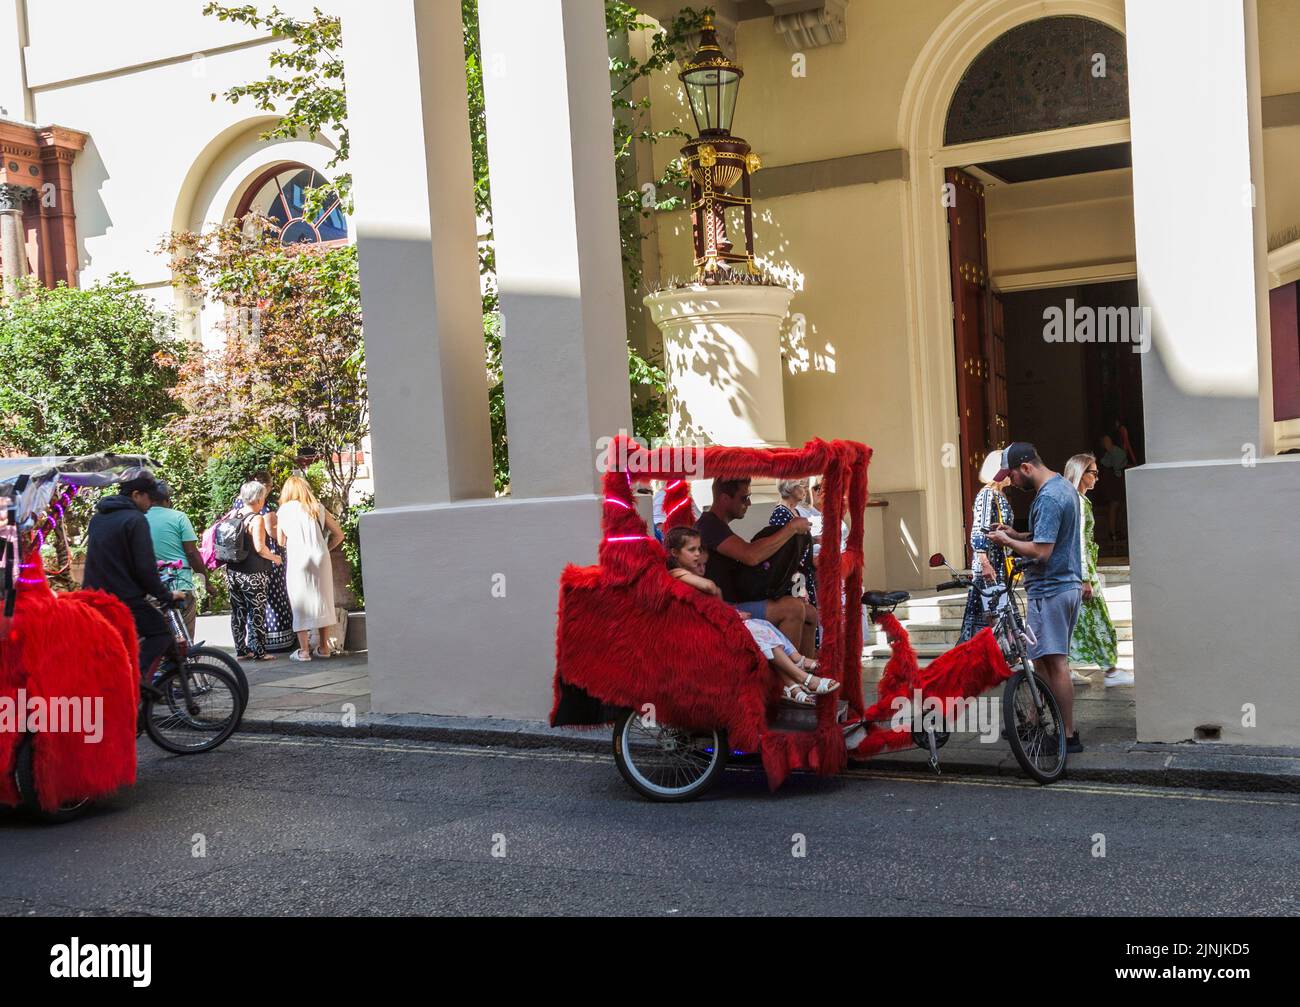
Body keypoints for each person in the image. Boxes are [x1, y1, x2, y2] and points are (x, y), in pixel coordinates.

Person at [986, 442, 1085, 754]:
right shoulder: (1062, 488)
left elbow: (1043, 552)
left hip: (1052, 590)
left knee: (1055, 664)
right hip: (1063, 586)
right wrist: (1016, 534)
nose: (1012, 482)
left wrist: (1004, 541)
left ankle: (1067, 736)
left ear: (1026, 467)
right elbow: (1045, 535)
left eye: (1013, 475)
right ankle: (1034, 720)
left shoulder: (1050, 498)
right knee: (1041, 660)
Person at [665, 527, 838, 705]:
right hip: (702, 633)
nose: (697, 554)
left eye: (699, 549)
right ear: (675, 553)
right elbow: (710, 588)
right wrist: (718, 596)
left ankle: (793, 676)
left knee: (762, 627)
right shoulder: (675, 574)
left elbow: (715, 602)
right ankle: (802, 676)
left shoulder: (688, 575)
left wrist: (729, 610)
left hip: (715, 624)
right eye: (691, 550)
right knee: (756, 631)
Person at [82, 468, 187, 684]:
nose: (150, 505)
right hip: (123, 598)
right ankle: (134, 681)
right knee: (160, 633)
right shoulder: (135, 519)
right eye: (149, 498)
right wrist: (166, 595)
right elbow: (144, 568)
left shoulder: (98, 518)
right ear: (136, 495)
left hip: (94, 597)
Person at [696, 478, 819, 656]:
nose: (749, 503)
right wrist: (790, 529)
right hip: (723, 608)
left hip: (736, 601)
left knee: (810, 613)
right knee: (792, 608)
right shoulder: (709, 525)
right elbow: (751, 555)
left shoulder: (718, 526)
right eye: (744, 498)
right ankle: (784, 680)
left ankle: (805, 675)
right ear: (724, 498)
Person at [1063, 454, 1133, 687]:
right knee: (1098, 620)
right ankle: (1110, 670)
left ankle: (1067, 667)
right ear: (1081, 474)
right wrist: (1085, 578)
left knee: (1076, 622)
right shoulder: (1079, 502)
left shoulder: (1074, 499)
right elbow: (1078, 541)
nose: (1097, 477)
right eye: (1093, 472)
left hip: (1076, 570)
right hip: (1082, 571)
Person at [275, 475, 345, 662]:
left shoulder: (284, 510)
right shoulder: (317, 507)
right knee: (322, 599)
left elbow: (281, 541)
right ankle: (324, 648)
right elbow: (339, 534)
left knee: (299, 600)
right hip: (321, 557)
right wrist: (326, 547)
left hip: (298, 558)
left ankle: (304, 651)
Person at [958, 451, 1014, 643]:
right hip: (989, 565)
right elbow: (978, 530)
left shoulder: (1000, 495)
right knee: (990, 614)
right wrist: (984, 562)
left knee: (1001, 612)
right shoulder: (987, 494)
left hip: (999, 565)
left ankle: (1004, 656)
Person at [226, 480, 282, 662]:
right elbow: (260, 548)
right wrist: (275, 558)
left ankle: (241, 650)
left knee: (238, 612)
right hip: (253, 573)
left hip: (233, 571)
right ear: (259, 499)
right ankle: (260, 651)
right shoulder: (256, 519)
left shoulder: (235, 514)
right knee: (256, 611)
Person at [144, 479, 205, 639]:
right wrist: (206, 580)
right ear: (167, 500)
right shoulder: (179, 517)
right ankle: (189, 662)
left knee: (158, 635)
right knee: (186, 635)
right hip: (180, 582)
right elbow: (191, 553)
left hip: (151, 585)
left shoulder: (139, 519)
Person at [769, 479, 816, 605]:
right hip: (793, 576)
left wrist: (815, 539)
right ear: (790, 488)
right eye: (801, 484)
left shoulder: (795, 511)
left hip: (803, 574)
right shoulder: (780, 513)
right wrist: (799, 587)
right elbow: (782, 550)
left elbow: (797, 540)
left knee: (809, 615)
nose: (805, 488)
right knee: (801, 612)